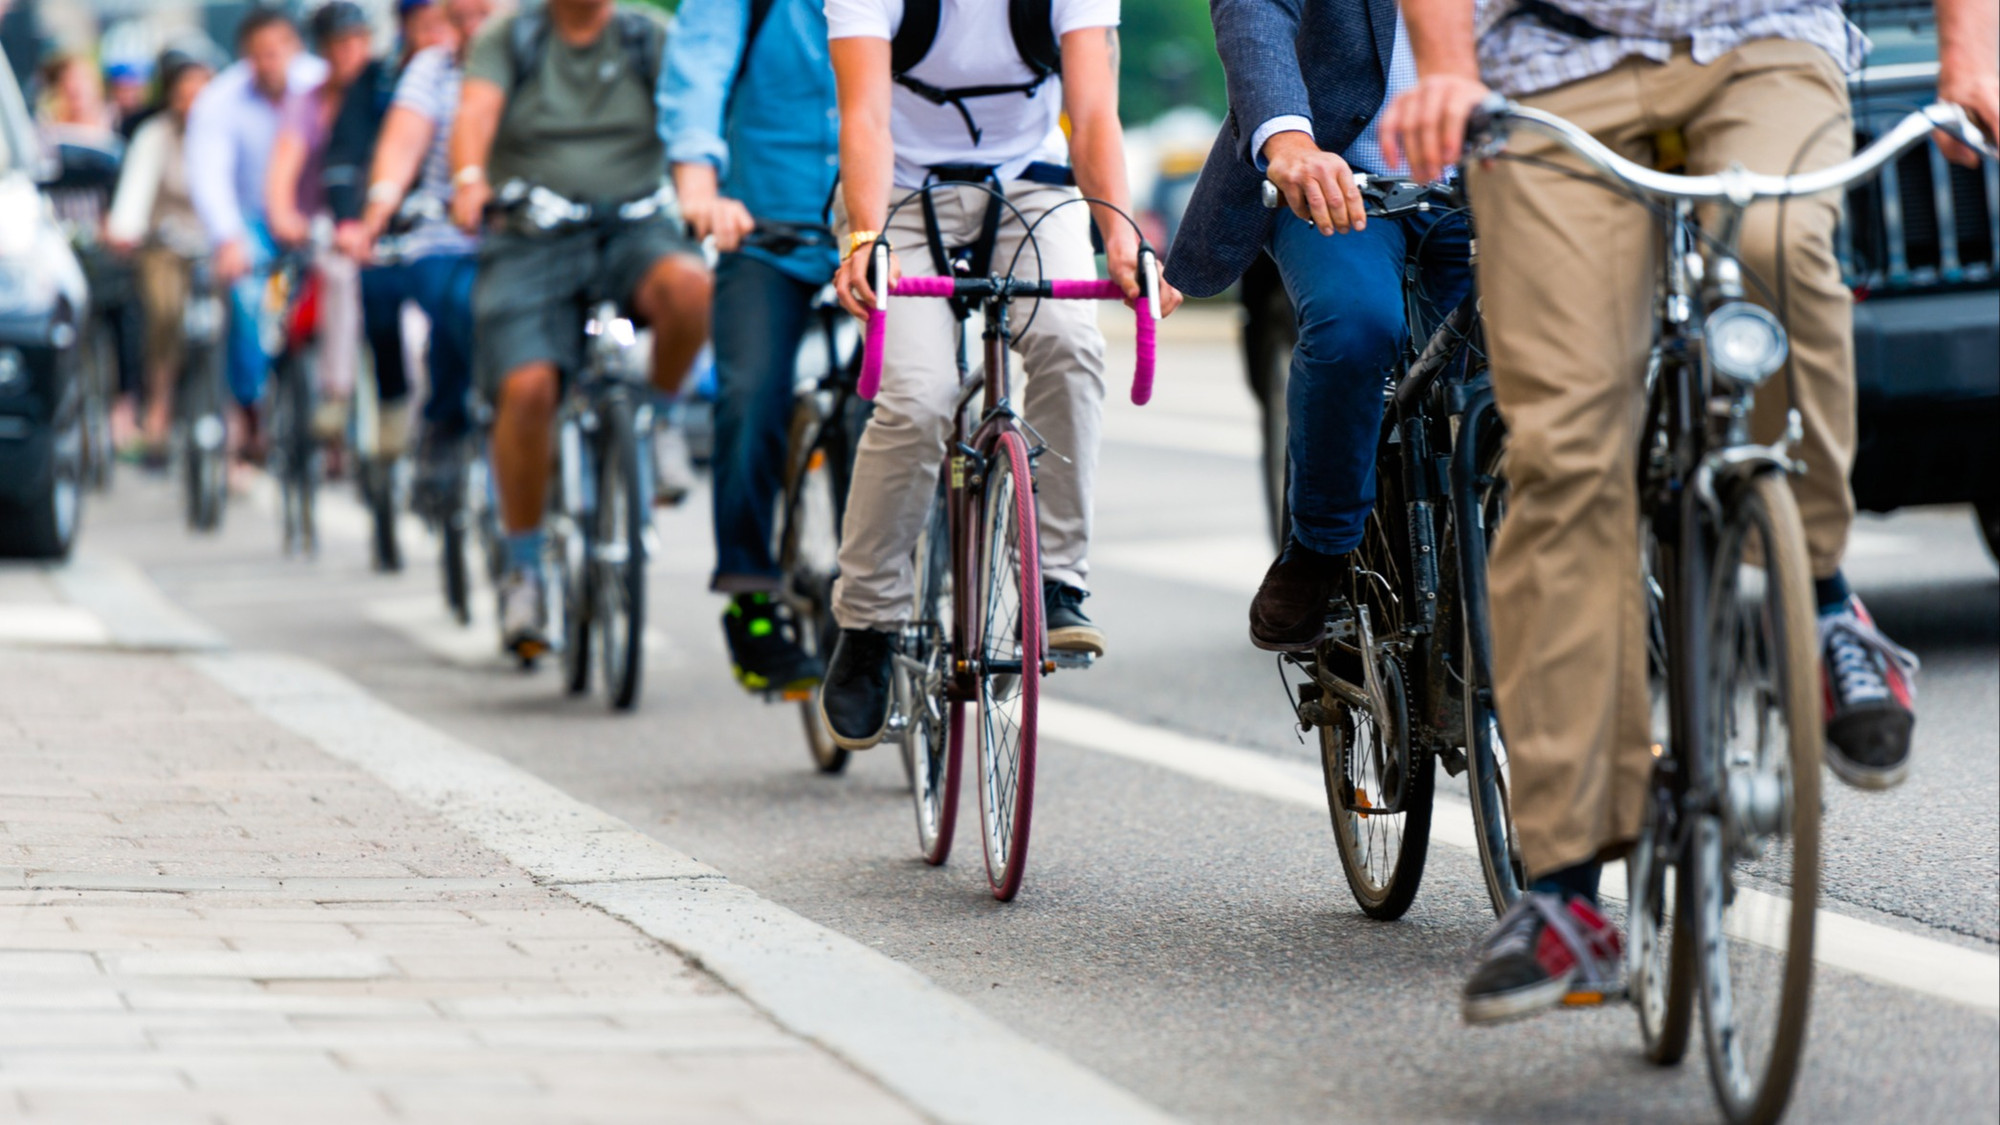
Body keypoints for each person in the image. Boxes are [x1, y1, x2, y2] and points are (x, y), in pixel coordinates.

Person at [1379, 0, 1998, 1023]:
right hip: (1551, 60)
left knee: (1779, 251)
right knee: (1564, 457)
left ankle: (1823, 607)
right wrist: (1445, 66)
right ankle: (1565, 894)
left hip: (1761, 38)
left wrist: (1969, 56)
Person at [816, 0, 1183, 750]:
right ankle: (868, 619)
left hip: (1030, 186)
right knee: (918, 397)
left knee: (1071, 342)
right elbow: (866, 118)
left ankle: (1056, 581)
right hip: (896, 192)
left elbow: (1092, 113)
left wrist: (1120, 239)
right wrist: (863, 238)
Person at [1165, 0, 1471, 658]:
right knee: (1356, 326)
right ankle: (1320, 549)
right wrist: (1288, 141)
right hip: (1334, 184)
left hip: (1491, 186)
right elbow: (1256, 12)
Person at [448, 0, 713, 660]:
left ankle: (660, 417)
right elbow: (476, 112)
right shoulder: (512, 37)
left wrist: (699, 188)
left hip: (635, 225)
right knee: (528, 388)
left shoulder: (647, 36)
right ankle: (523, 570)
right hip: (533, 234)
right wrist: (469, 179)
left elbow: (694, 112)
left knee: (692, 289)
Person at [659, 0, 839, 696]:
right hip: (763, 232)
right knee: (750, 393)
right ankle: (751, 595)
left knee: (921, 389)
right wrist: (700, 185)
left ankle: (915, 583)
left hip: (884, 230)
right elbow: (699, 70)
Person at [352, 0, 495, 503]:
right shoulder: (432, 69)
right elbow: (401, 143)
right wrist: (380, 203)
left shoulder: (534, 50)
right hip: (446, 234)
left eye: (482, 12)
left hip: (530, 231)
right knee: (459, 303)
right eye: (459, 17)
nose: (471, 25)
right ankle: (445, 420)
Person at [185, 6, 327, 429]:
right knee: (248, 297)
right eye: (262, 52)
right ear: (246, 56)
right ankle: (252, 404)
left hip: (314, 218)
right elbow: (209, 174)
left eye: (280, 48)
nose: (273, 60)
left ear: (297, 47)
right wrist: (228, 237)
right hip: (251, 220)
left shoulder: (320, 84)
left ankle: (337, 412)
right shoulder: (220, 101)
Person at [266, 2, 378, 459]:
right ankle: (336, 391)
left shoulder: (383, 89)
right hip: (322, 225)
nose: (351, 53)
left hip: (377, 221)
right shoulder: (307, 102)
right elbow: (285, 161)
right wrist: (282, 214)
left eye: (358, 41)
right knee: (336, 277)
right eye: (340, 44)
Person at [105, 48, 215, 464]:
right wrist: (125, 228)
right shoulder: (155, 135)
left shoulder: (225, 131)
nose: (192, 103)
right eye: (184, 94)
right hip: (166, 244)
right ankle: (159, 407)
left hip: (219, 246)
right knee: (163, 313)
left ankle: (243, 421)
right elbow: (136, 189)